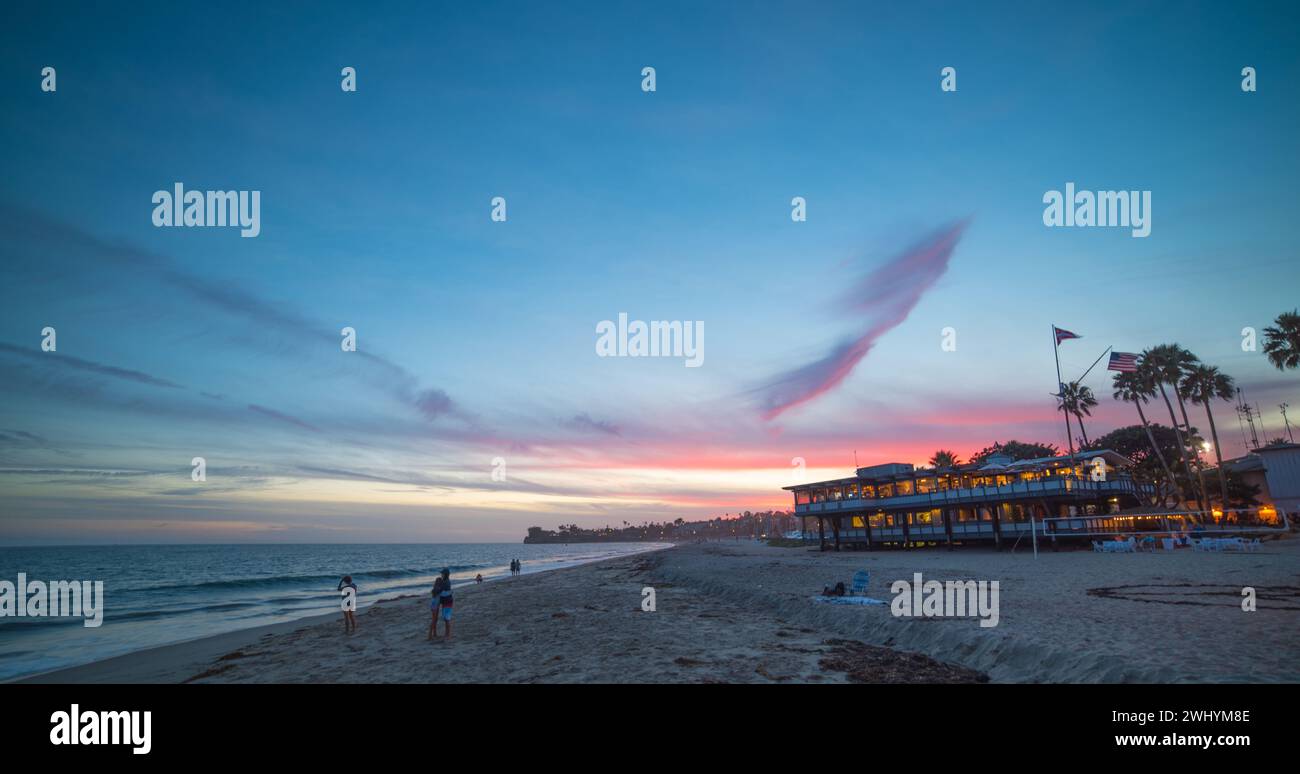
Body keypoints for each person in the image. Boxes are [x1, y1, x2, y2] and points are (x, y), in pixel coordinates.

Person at [435, 568, 454, 641]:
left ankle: (448, 635)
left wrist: (436, 589)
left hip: (447, 602)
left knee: (447, 619)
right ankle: (446, 634)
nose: (441, 575)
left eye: (442, 574)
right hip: (446, 601)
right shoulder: (446, 581)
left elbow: (440, 590)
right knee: (446, 618)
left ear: (445, 574)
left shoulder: (445, 582)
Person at [427, 575, 445, 641]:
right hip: (435, 605)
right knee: (434, 620)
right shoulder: (438, 589)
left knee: (435, 620)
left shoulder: (435, 588)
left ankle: (434, 633)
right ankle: (429, 635)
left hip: (434, 605)